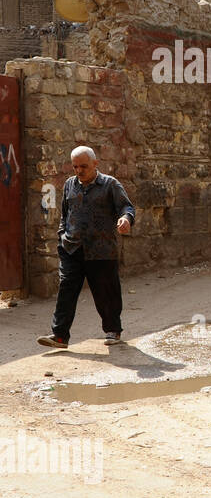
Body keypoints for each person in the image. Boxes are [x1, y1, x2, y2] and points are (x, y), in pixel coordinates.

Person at [36, 146, 135, 349]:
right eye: (75, 167)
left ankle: (112, 331)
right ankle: (60, 335)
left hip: (102, 249)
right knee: (66, 289)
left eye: (84, 166)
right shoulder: (70, 185)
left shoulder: (110, 185)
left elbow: (127, 207)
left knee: (105, 291)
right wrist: (62, 236)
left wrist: (125, 219)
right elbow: (65, 213)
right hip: (72, 248)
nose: (79, 171)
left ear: (95, 164)